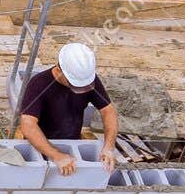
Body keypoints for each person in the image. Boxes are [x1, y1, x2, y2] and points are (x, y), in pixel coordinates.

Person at [18, 42, 118, 175]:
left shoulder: (88, 80)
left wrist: (109, 146)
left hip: (73, 141)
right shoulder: (38, 84)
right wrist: (56, 155)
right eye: (75, 85)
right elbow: (28, 124)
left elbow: (108, 110)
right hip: (40, 145)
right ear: (59, 70)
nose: (81, 90)